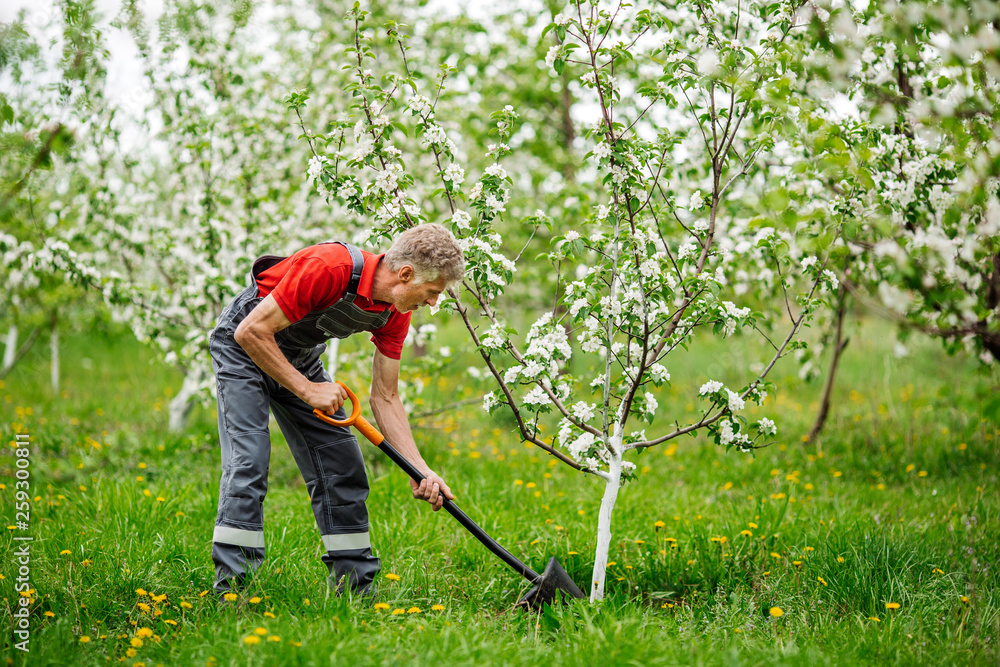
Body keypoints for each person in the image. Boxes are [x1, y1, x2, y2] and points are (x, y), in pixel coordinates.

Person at [209, 223, 465, 597]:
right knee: (249, 460)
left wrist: (419, 468)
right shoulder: (329, 267)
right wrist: (307, 389)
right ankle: (233, 590)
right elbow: (250, 332)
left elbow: (386, 397)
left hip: (299, 358)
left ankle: (355, 590)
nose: (432, 302)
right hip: (244, 348)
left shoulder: (395, 310)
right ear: (406, 275)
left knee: (343, 465)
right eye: (431, 292)